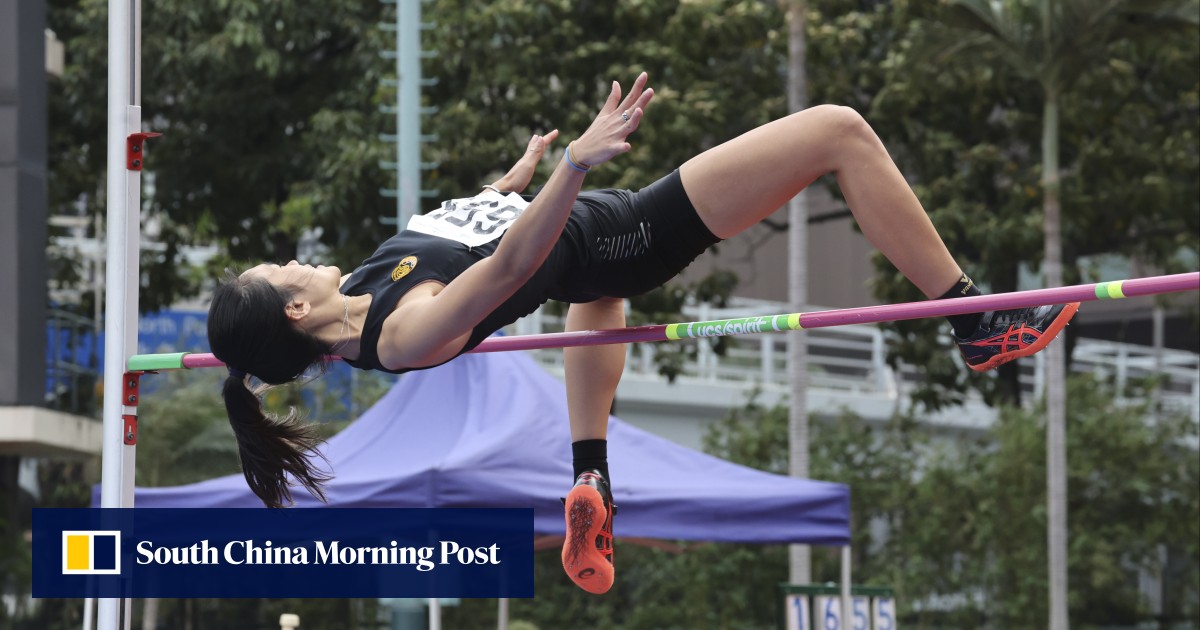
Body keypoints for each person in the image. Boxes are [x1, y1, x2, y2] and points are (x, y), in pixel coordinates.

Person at [206, 72, 1078, 594]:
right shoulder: (400, 338)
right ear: (292, 313)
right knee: (838, 131)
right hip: (614, 233)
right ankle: (975, 319)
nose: (288, 260)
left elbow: (468, 237)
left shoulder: (365, 285)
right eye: (276, 272)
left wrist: (512, 180)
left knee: (596, 307)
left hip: (588, 257)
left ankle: (593, 480)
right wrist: (575, 169)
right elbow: (507, 271)